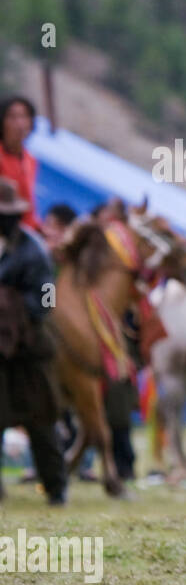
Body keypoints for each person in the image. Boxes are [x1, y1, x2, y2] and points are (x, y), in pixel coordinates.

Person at [0, 177, 67, 505]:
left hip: (30, 348)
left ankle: (56, 489)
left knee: (42, 420)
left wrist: (13, 304)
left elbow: (48, 296)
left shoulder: (35, 251)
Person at [0, 96, 40, 232]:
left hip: (19, 230)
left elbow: (28, 202)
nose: (20, 124)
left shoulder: (30, 160)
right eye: (12, 117)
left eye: (24, 117)